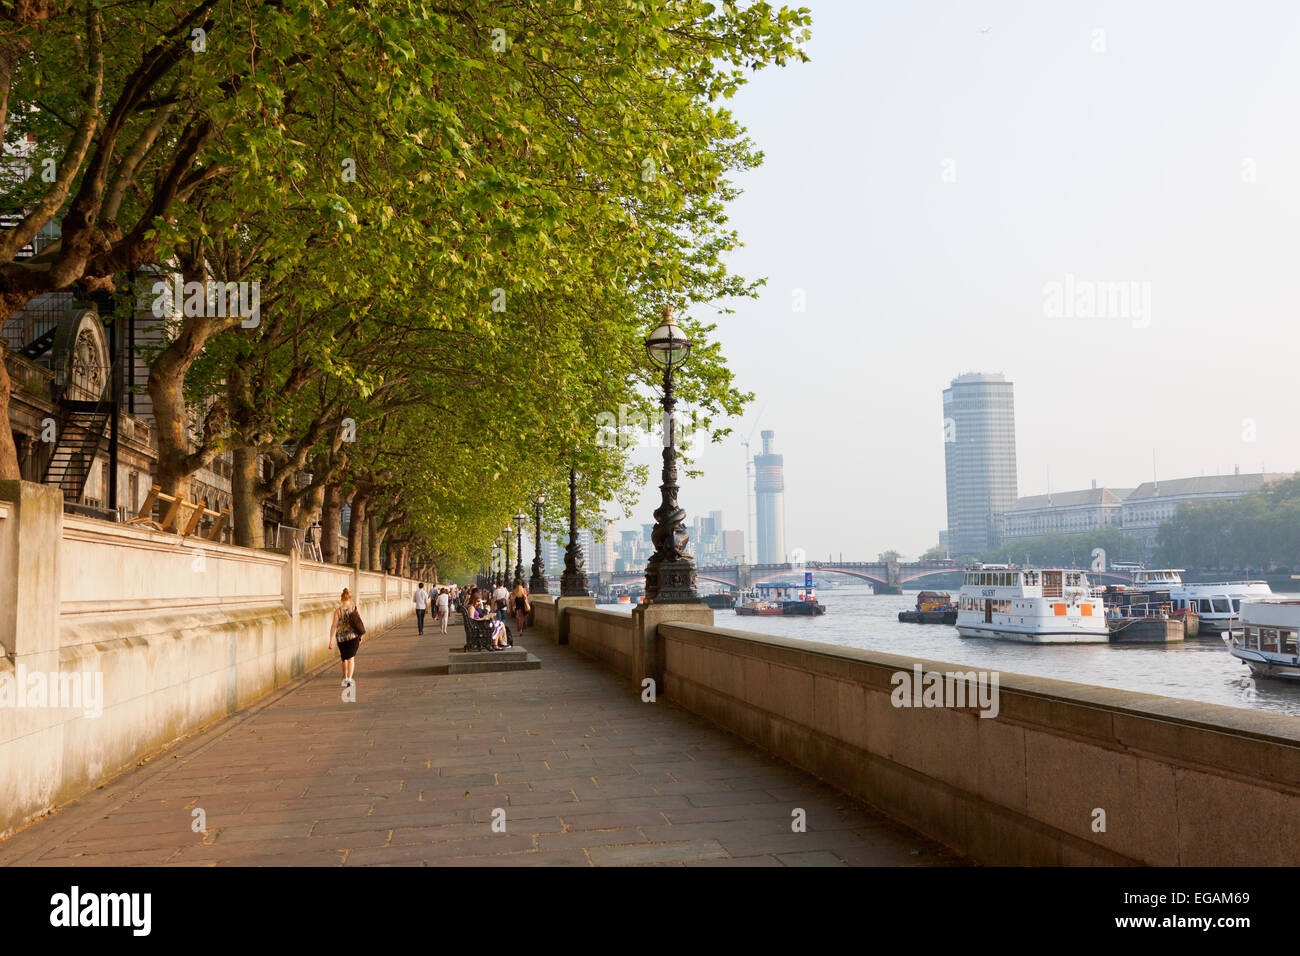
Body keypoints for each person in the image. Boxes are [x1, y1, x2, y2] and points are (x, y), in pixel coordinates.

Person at [329, 588, 362, 687]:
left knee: (344, 658)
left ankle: (345, 677)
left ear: (341, 599)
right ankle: (349, 678)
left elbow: (334, 625)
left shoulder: (338, 611)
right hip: (353, 636)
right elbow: (359, 623)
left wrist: (330, 639)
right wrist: (361, 635)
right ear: (349, 598)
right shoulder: (354, 608)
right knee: (351, 657)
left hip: (341, 638)